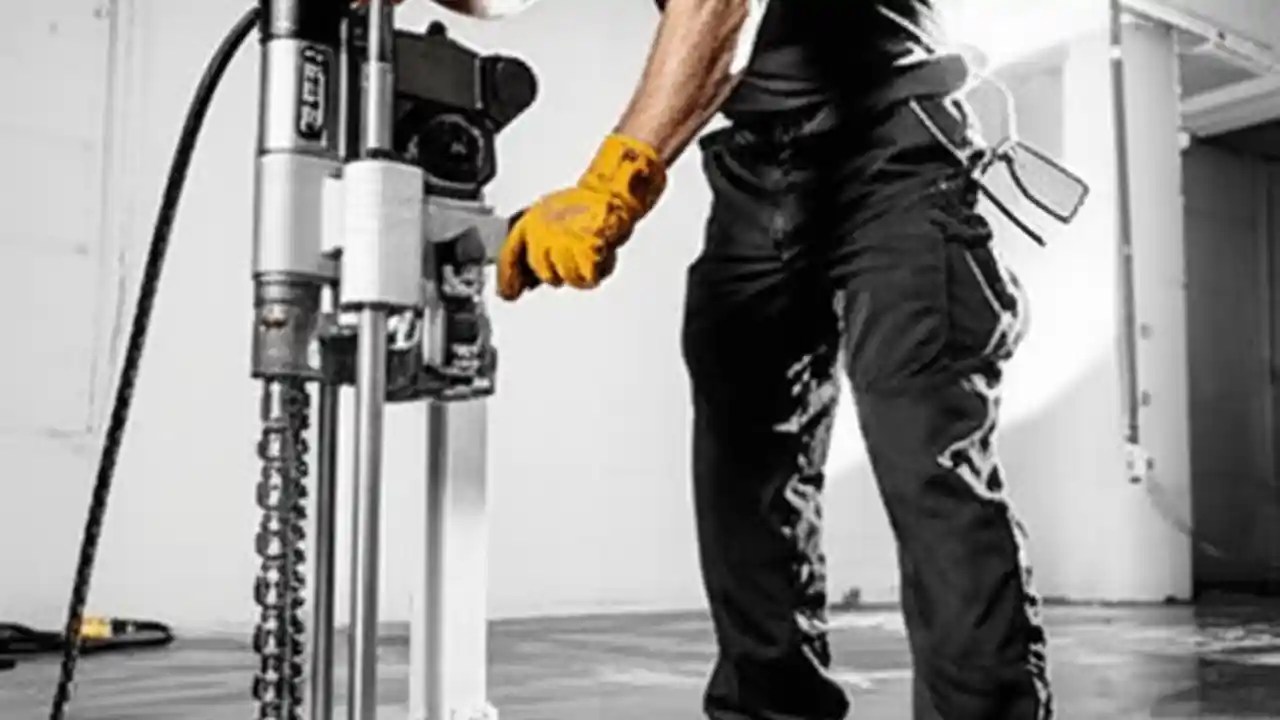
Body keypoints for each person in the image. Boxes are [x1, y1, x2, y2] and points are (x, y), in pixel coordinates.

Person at [496, 1, 1052, 718]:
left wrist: (612, 184)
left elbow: (720, 7)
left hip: (896, 149)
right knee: (743, 474)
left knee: (929, 470)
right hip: (756, 169)